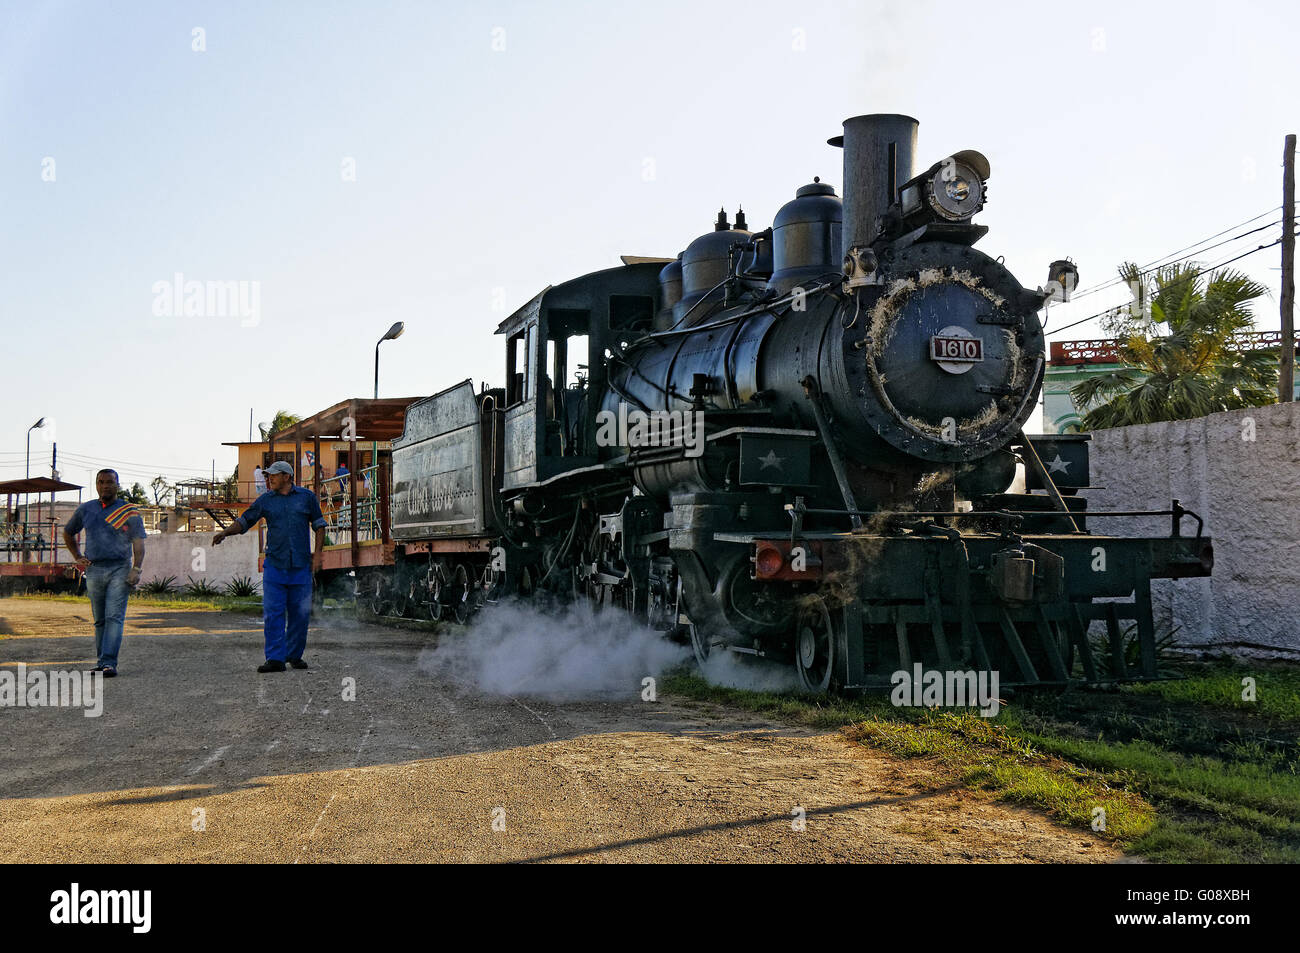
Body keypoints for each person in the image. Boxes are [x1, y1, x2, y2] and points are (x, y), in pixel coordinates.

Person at [212, 460, 326, 673]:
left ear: (287, 477)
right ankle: (275, 659)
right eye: (268, 475)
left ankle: (294, 655)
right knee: (273, 612)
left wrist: (318, 554)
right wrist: (225, 532)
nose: (269, 478)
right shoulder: (265, 500)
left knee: (300, 614)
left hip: (300, 566)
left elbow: (319, 526)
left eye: (274, 475)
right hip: (274, 566)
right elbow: (245, 520)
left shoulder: (307, 498)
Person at [62, 469, 147, 678]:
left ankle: (109, 663)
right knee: (99, 619)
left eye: (110, 482)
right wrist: (77, 556)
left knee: (114, 617)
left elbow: (138, 542)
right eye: (101, 482)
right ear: (96, 485)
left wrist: (136, 568)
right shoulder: (87, 509)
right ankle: (102, 663)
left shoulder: (129, 511)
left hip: (120, 568)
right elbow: (68, 532)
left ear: (117, 485)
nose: (105, 486)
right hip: (94, 569)